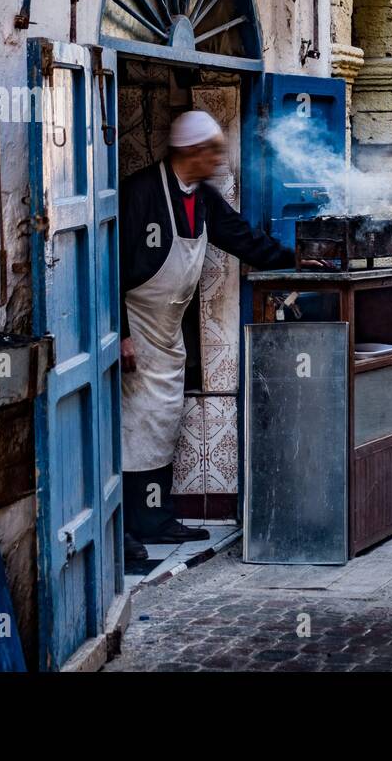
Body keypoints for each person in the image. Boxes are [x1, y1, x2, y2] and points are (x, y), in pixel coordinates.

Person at [119, 110, 294, 561]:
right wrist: (119, 334)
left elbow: (242, 239)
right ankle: (126, 526)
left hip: (168, 329)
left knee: (162, 422)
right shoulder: (140, 193)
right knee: (133, 425)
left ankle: (156, 519)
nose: (219, 158)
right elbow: (109, 269)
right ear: (191, 152)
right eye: (213, 150)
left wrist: (295, 261)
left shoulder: (205, 198)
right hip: (136, 327)